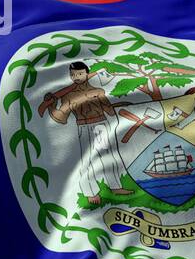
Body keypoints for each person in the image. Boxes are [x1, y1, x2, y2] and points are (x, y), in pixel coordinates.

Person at [38, 62, 135, 206]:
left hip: (101, 124)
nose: (76, 77)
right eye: (73, 75)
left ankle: (116, 187)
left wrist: (118, 106)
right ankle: (90, 193)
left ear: (87, 74)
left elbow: (108, 110)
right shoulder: (68, 96)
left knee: (110, 155)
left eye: (80, 73)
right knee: (87, 159)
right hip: (84, 127)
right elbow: (61, 117)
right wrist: (51, 106)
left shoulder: (98, 91)